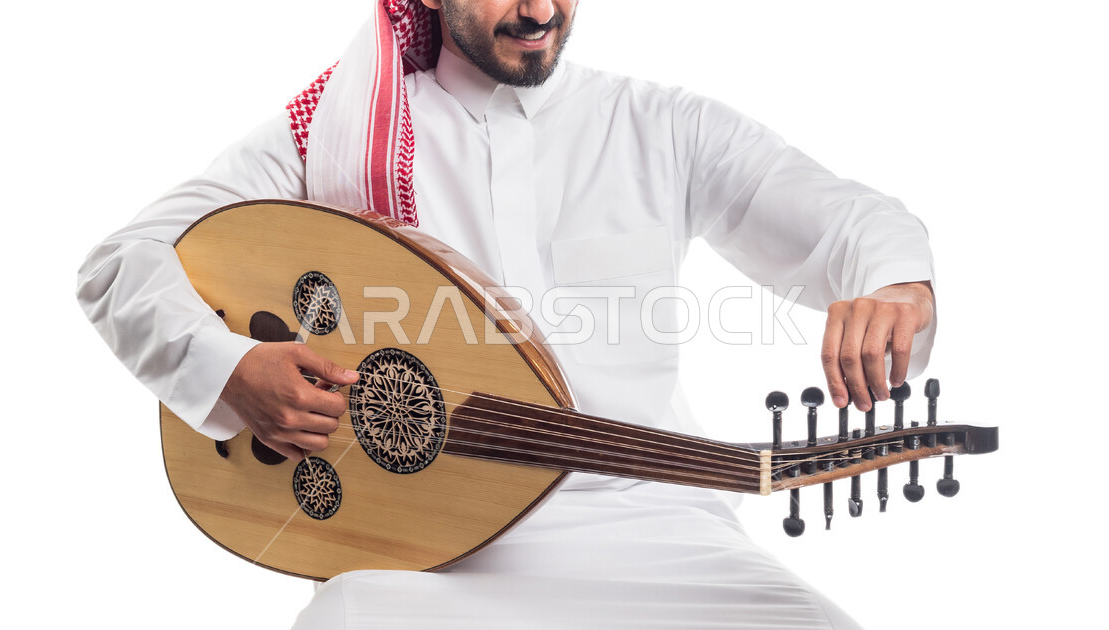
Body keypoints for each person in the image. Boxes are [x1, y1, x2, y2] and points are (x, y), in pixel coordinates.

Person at [77, 1, 935, 627]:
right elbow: (122, 263)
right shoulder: (346, 129)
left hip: (655, 522)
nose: (536, 11)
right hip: (428, 556)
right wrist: (229, 369)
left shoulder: (660, 126)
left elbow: (856, 223)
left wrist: (896, 286)